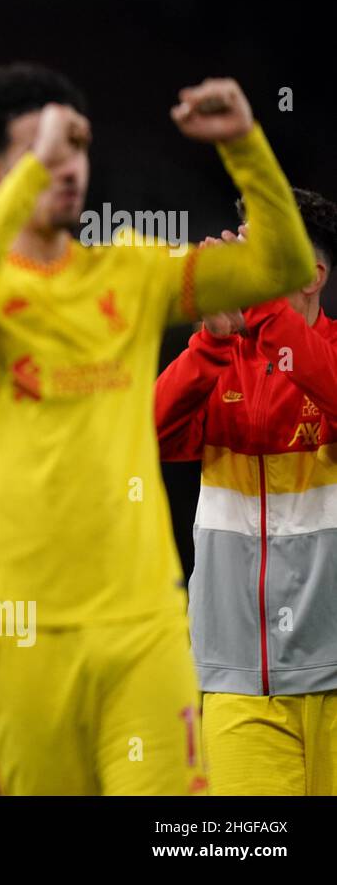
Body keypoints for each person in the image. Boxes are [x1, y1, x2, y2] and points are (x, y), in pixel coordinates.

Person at [0, 63, 315, 794]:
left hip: (143, 618)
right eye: (44, 147)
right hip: (17, 622)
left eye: (76, 145)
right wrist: (32, 175)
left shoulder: (131, 269)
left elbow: (280, 264)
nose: (67, 165)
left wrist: (246, 145)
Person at [155, 188, 337, 795]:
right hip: (239, 679)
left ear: (312, 276)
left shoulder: (330, 356)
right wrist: (210, 341)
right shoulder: (218, 365)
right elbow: (141, 438)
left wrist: (259, 310)